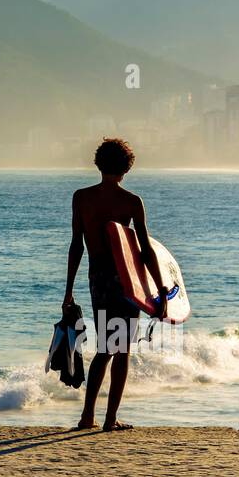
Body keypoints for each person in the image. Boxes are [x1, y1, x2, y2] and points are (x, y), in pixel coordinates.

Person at [62, 137, 165, 431]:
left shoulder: (81, 197)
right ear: (127, 167)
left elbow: (76, 246)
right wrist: (159, 290)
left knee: (105, 348)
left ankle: (87, 416)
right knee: (122, 351)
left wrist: (69, 289)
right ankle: (109, 419)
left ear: (98, 163)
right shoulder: (131, 202)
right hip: (127, 281)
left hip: (98, 280)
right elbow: (144, 249)